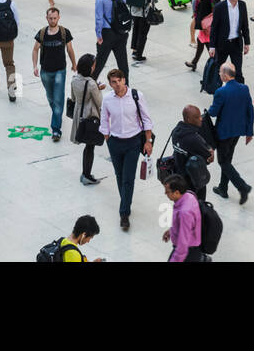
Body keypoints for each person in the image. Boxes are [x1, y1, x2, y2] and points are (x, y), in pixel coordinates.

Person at [98, 69, 154, 230]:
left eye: (119, 81)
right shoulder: (108, 99)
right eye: (113, 82)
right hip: (115, 142)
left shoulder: (136, 96)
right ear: (110, 84)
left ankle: (124, 213)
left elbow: (146, 119)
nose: (117, 85)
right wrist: (108, 139)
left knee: (128, 178)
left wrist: (148, 141)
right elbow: (104, 121)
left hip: (133, 142)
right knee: (119, 175)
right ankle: (125, 201)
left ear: (124, 80)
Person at [207, 61, 254, 203]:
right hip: (237, 132)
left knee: (223, 162)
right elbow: (250, 111)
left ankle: (242, 187)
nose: (219, 74)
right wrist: (249, 132)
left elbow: (213, 113)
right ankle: (223, 188)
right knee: (228, 159)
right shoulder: (244, 88)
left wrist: (208, 110)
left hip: (224, 132)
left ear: (226, 76)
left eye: (221, 72)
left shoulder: (221, 92)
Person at [33, 5, 76, 141]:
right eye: (50, 18)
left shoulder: (64, 32)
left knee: (58, 100)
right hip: (45, 71)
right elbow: (35, 50)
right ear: (46, 18)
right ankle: (57, 114)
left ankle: (56, 130)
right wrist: (35, 66)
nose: (52, 20)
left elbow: (70, 50)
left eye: (55, 18)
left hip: (59, 71)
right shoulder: (42, 33)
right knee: (51, 98)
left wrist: (74, 63)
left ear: (58, 18)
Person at [69, 54, 104, 186]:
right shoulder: (91, 84)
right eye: (93, 65)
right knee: (90, 146)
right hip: (90, 116)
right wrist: (98, 89)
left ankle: (85, 173)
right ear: (89, 67)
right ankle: (87, 175)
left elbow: (73, 98)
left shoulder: (74, 80)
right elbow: (99, 102)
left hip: (79, 114)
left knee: (87, 146)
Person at [92, 0, 130, 81]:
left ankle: (91, 84)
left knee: (99, 62)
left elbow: (99, 19)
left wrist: (98, 35)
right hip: (121, 32)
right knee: (123, 63)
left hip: (107, 33)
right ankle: (125, 85)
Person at [162, 175, 203, 262]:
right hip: (190, 247)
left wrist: (175, 260)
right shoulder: (189, 195)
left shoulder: (185, 212)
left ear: (176, 192)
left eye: (167, 191)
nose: (165, 193)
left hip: (188, 252)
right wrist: (171, 230)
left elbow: (183, 243)